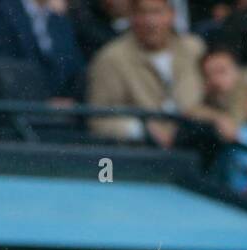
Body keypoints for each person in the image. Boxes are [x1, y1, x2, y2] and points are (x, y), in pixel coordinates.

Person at [86, 0, 206, 145]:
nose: (150, 21)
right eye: (142, 13)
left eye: (157, 12)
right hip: (142, 151)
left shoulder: (194, 49)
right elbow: (99, 118)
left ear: (172, 15)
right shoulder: (111, 58)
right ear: (131, 17)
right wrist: (140, 129)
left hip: (198, 145)